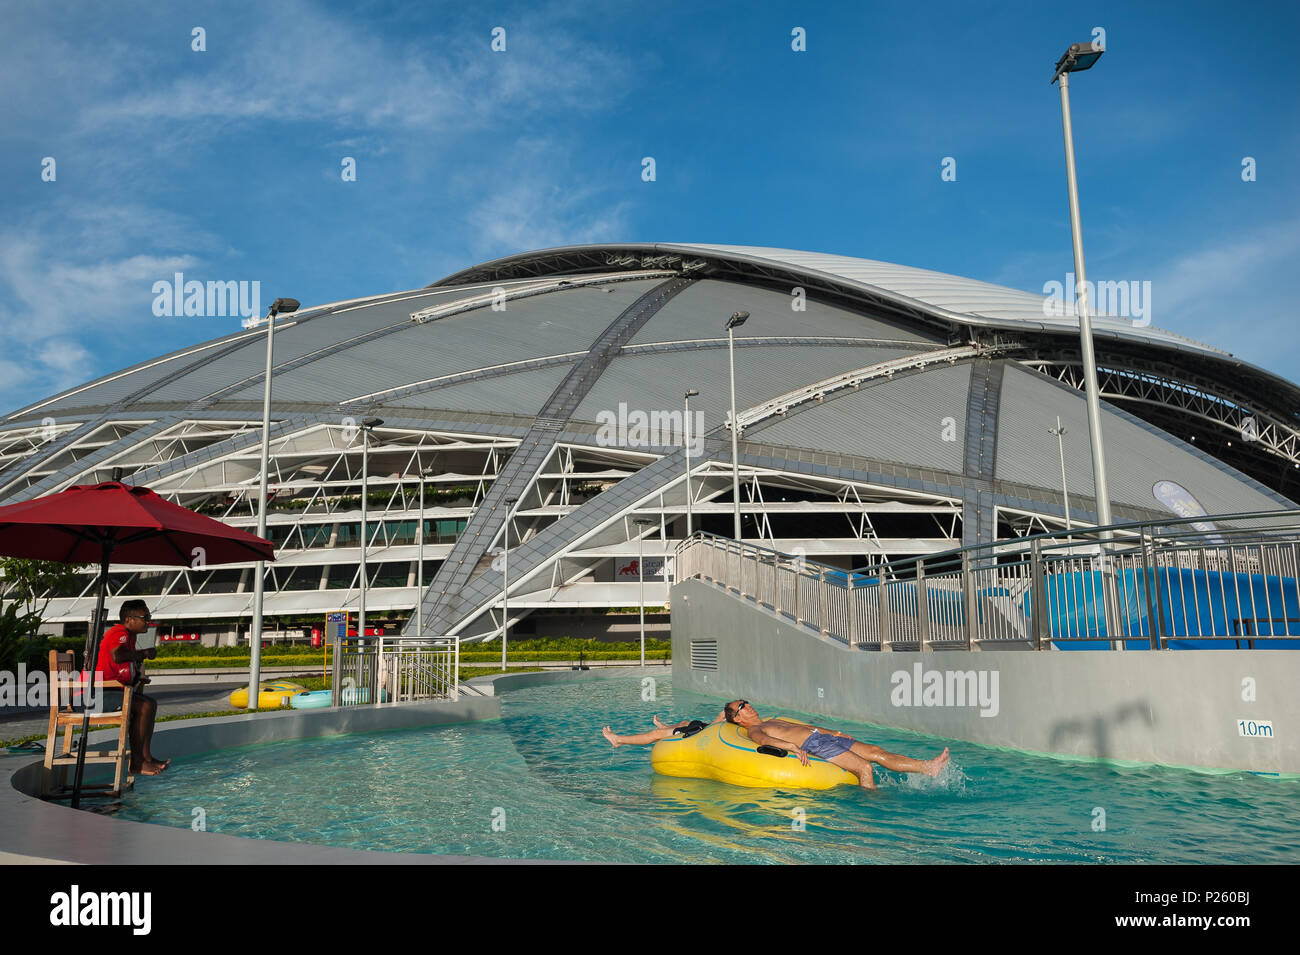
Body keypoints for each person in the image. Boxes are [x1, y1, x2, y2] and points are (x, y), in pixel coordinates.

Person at [724, 699, 948, 790]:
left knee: (876, 752)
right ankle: (873, 808)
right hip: (814, 745)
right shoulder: (755, 729)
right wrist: (792, 747)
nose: (748, 705)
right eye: (742, 706)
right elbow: (765, 741)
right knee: (865, 768)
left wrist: (837, 733)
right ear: (737, 718)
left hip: (824, 737)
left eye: (746, 702)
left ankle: (927, 767)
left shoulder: (771, 720)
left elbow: (808, 728)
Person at [92, 600, 169, 776]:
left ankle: (145, 758)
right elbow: (118, 656)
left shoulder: (130, 637)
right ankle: (138, 762)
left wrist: (136, 677)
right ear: (129, 619)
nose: (148, 621)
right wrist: (143, 653)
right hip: (95, 695)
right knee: (144, 705)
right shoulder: (119, 632)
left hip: (109, 690)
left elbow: (119, 666)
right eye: (145, 617)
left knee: (149, 703)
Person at [602, 710, 726, 747]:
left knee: (657, 734)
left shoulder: (733, 717)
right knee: (684, 722)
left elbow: (712, 729)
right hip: (704, 726)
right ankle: (666, 727)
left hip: (701, 731)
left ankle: (618, 740)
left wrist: (720, 716)